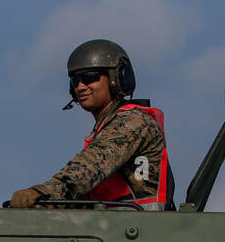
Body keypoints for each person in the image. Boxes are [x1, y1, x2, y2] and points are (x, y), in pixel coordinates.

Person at [10, 39, 172, 209]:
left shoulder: (133, 121)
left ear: (117, 78)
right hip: (115, 223)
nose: (80, 87)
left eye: (89, 77)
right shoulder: (106, 127)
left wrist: (42, 192)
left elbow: (88, 169)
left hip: (138, 226)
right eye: (75, 81)